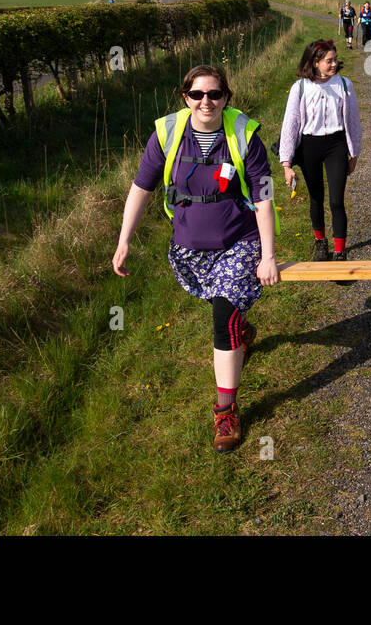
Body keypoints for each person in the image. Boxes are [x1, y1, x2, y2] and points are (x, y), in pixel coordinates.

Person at [113, 64, 279, 453]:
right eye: (197, 94)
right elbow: (141, 189)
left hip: (239, 241)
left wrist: (268, 255)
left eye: (215, 94)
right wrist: (124, 242)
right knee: (226, 313)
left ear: (226, 97)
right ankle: (241, 332)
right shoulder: (167, 134)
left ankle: (226, 411)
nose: (207, 101)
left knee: (222, 315)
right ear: (185, 97)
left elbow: (264, 197)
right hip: (189, 246)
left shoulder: (245, 135)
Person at [279, 39, 362, 261]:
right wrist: (286, 163)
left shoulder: (344, 85)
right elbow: (291, 123)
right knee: (316, 197)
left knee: (336, 200)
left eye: (335, 59)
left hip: (336, 145)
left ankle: (340, 251)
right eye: (329, 60)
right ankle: (320, 242)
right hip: (309, 146)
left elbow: (353, 121)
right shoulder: (301, 88)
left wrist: (354, 154)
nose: (334, 64)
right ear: (315, 62)